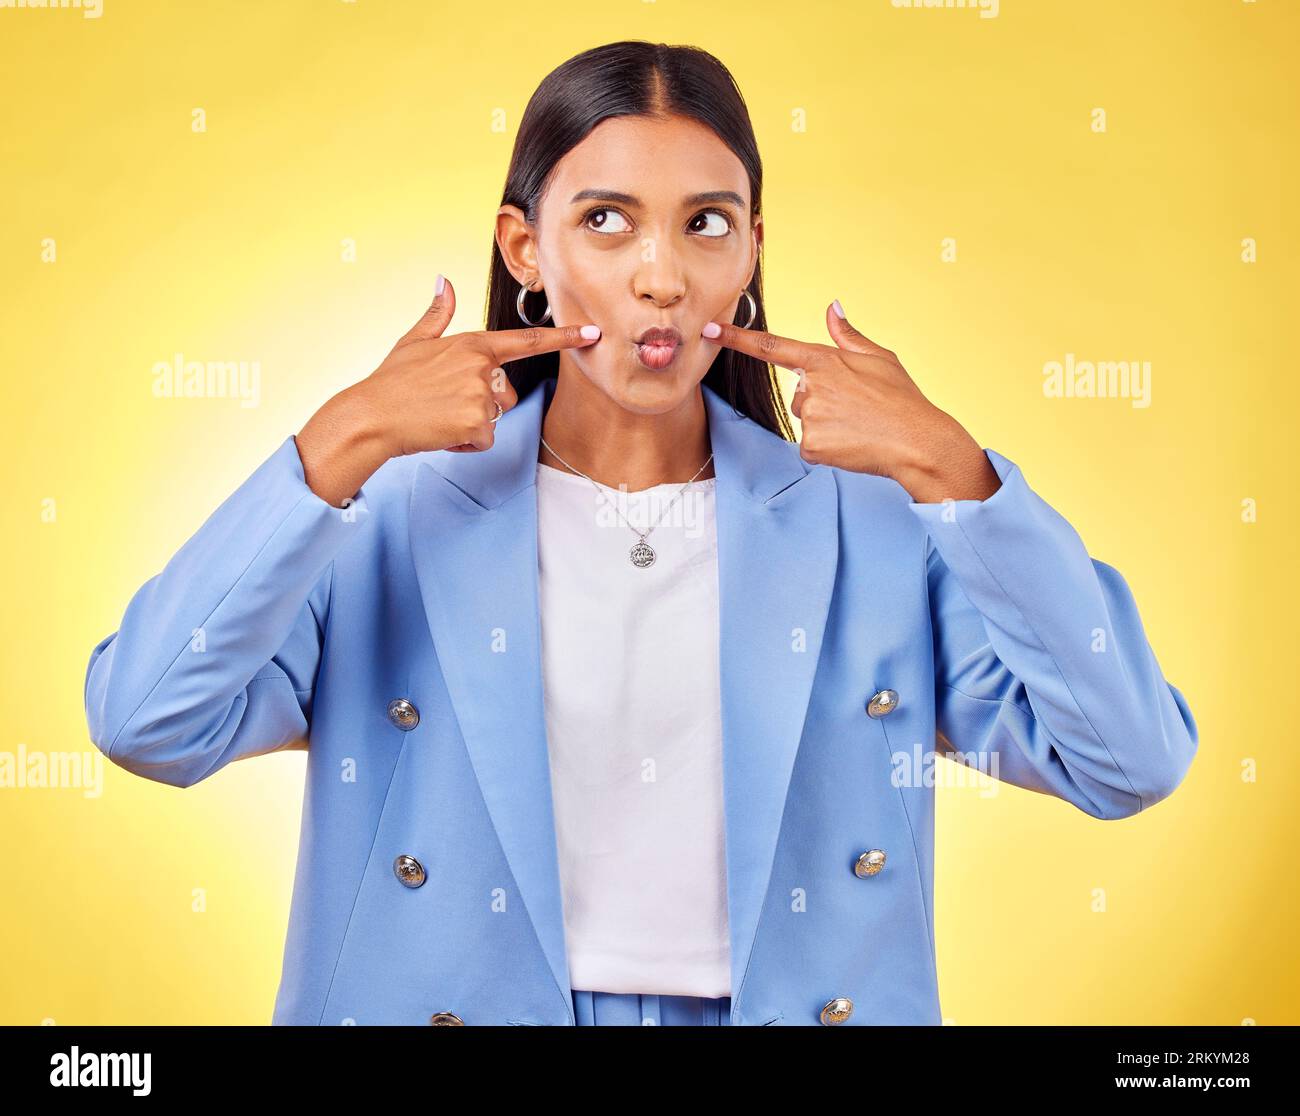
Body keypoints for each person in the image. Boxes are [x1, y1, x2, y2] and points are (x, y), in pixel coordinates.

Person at [83, 40, 1198, 1026]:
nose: (659, 278)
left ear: (750, 251)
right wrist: (340, 438)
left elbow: (1126, 760)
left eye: (703, 224)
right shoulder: (384, 513)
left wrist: (960, 475)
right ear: (526, 250)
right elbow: (147, 720)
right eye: (604, 221)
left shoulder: (877, 524)